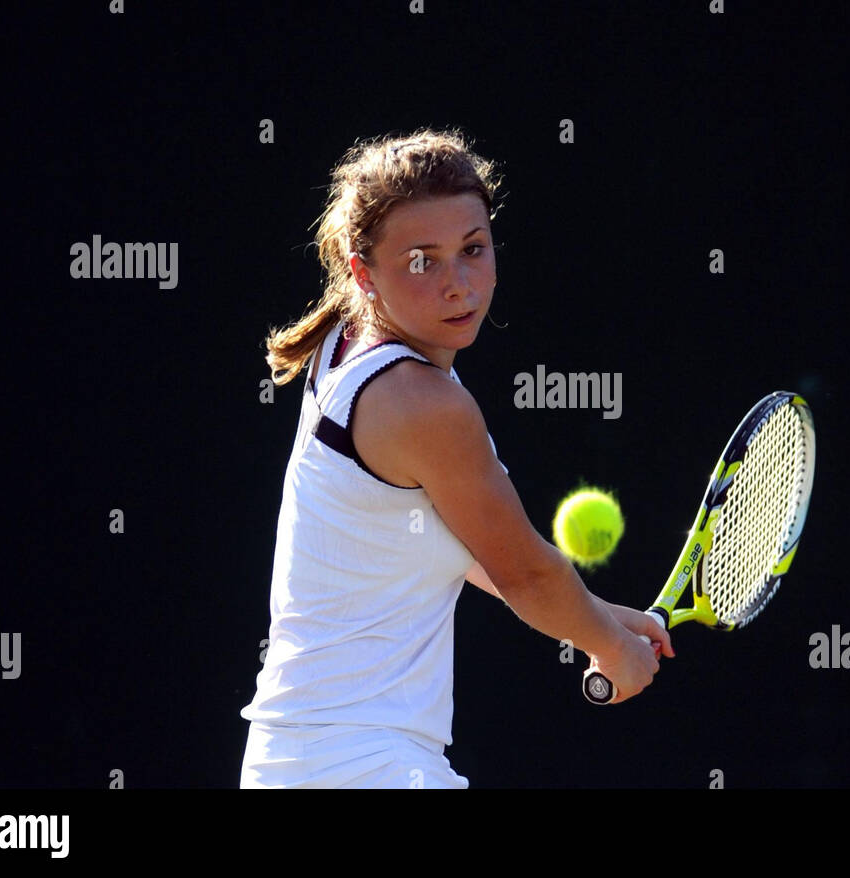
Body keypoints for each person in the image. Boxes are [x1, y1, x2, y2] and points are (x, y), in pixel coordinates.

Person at [239, 128, 673, 788]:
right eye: (422, 261)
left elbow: (461, 542)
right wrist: (611, 648)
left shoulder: (346, 341)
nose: (457, 284)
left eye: (472, 249)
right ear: (363, 271)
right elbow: (525, 572)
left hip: (301, 759)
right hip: (363, 767)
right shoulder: (424, 403)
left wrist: (594, 615)